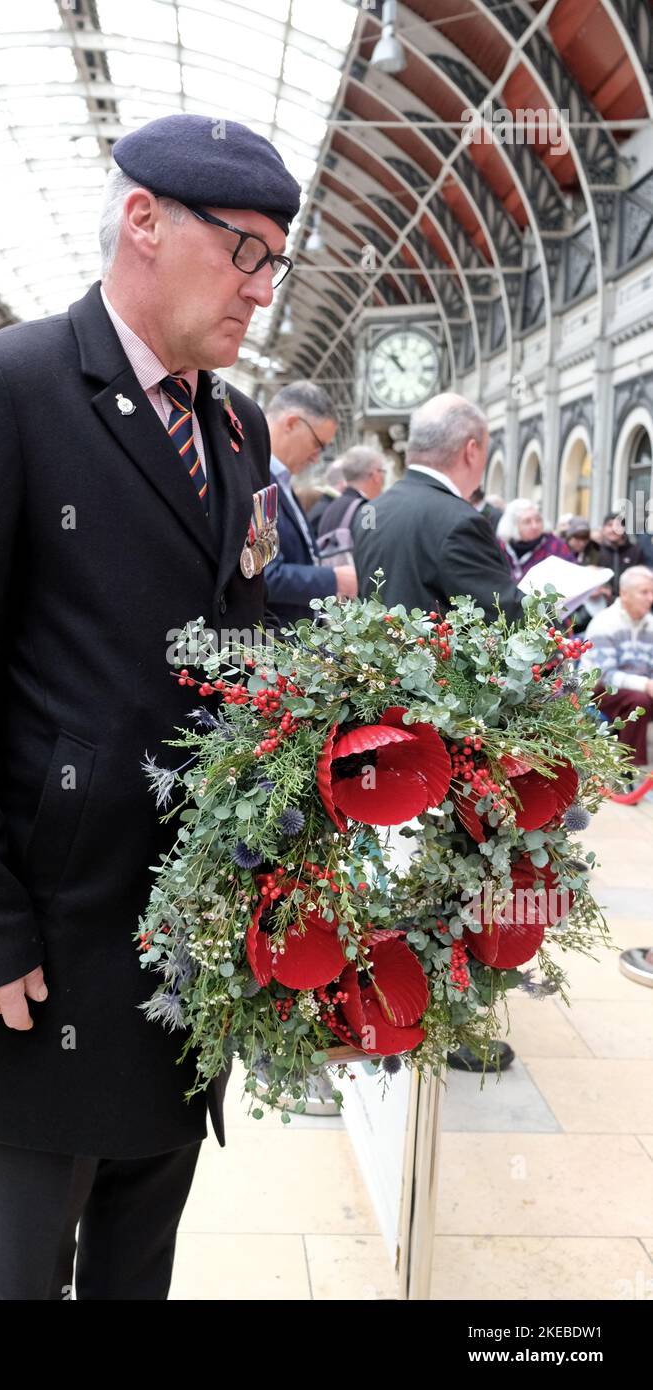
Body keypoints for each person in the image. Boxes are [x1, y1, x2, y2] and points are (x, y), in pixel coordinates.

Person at [0, 112, 301, 1301]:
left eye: (276, 261)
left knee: (150, 1206)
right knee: (34, 1226)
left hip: (186, 906)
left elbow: (241, 630)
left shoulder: (232, 421)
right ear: (143, 220)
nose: (261, 290)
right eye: (245, 252)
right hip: (53, 921)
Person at [353, 393, 523, 1074]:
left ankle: (391, 1009)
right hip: (448, 742)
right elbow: (508, 626)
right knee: (455, 884)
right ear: (472, 448)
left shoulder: (378, 509)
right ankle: (446, 1025)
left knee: (399, 879)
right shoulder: (459, 520)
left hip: (382, 738)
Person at [354, 393, 524, 624]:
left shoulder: (371, 510)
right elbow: (504, 616)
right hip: (435, 658)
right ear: (471, 450)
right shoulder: (461, 521)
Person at [262, 381, 357, 628]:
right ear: (292, 423)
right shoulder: (254, 478)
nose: (317, 458)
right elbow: (263, 572)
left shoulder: (281, 481)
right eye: (318, 444)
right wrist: (333, 579)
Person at [584, 566, 653, 768]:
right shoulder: (605, 622)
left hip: (641, 688)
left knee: (641, 699)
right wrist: (646, 684)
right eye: (644, 592)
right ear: (624, 593)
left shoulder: (651, 624)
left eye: (652, 592)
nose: (650, 598)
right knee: (640, 701)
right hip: (600, 691)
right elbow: (605, 675)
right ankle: (628, 769)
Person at [317, 444, 387, 539]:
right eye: (383, 471)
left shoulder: (331, 507)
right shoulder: (368, 510)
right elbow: (372, 549)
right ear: (375, 475)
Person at [496, 499, 575, 581]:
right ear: (514, 525)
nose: (535, 526)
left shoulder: (556, 546)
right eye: (527, 522)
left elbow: (571, 575)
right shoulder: (501, 547)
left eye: (538, 520)